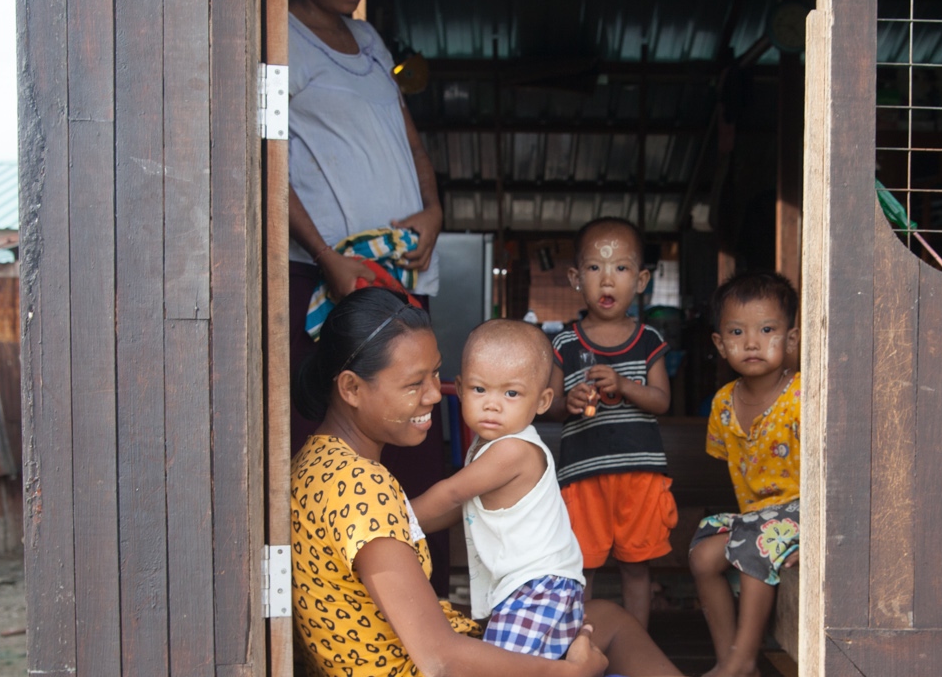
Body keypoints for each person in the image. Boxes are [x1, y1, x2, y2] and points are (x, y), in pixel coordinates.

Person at [290, 288, 681, 677]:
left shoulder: (318, 462)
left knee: (609, 618)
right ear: (352, 389)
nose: (433, 396)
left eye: (435, 375)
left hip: (427, 648)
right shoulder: (360, 487)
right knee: (602, 634)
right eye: (414, 384)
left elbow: (433, 511)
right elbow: (440, 661)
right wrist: (569, 674)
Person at [285, 0, 451, 593]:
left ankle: (424, 603)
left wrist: (436, 209)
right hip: (333, 276)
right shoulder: (279, 41)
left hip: (401, 268)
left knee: (416, 416)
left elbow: (410, 139)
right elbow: (267, 163)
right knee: (336, 425)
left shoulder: (371, 38)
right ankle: (339, 602)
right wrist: (326, 257)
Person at [412, 320, 585, 659]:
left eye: (511, 393)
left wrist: (387, 518)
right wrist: (410, 528)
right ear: (460, 389)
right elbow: (454, 510)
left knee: (499, 668)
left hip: (538, 588)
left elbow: (450, 494)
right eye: (480, 390)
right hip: (532, 588)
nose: (492, 404)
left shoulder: (514, 450)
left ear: (543, 400)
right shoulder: (487, 444)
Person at [546, 217, 676, 629]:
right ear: (574, 277)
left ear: (640, 280)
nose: (607, 281)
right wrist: (570, 401)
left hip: (639, 477)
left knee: (636, 568)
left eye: (620, 269)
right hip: (583, 479)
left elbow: (661, 401)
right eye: (595, 268)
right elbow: (547, 404)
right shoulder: (565, 342)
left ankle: (636, 648)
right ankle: (581, 645)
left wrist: (623, 384)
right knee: (582, 568)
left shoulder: (648, 339)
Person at [688, 272, 803, 677]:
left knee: (755, 543)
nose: (752, 343)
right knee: (703, 553)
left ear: (791, 339)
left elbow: (836, 480)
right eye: (737, 332)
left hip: (805, 514)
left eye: (767, 330)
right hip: (759, 518)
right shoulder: (722, 404)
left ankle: (741, 660)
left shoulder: (804, 396)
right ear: (720, 344)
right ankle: (730, 660)